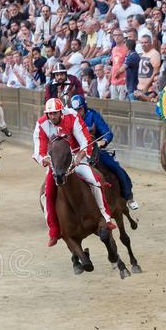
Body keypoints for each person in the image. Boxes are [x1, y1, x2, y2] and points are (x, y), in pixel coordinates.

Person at [33, 98, 116, 247]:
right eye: (50, 114)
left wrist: (80, 156)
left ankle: (106, 217)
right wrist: (45, 159)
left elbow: (84, 139)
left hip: (76, 158)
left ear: (61, 111)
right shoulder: (41, 123)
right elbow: (39, 148)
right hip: (56, 163)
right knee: (45, 195)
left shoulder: (72, 116)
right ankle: (54, 230)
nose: (52, 116)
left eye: (55, 113)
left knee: (95, 180)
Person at [70, 95, 139, 210]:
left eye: (80, 109)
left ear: (85, 107)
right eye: (75, 110)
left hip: (95, 151)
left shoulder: (93, 115)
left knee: (116, 168)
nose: (77, 112)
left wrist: (103, 141)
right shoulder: (70, 119)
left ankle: (128, 197)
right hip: (77, 153)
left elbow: (108, 133)